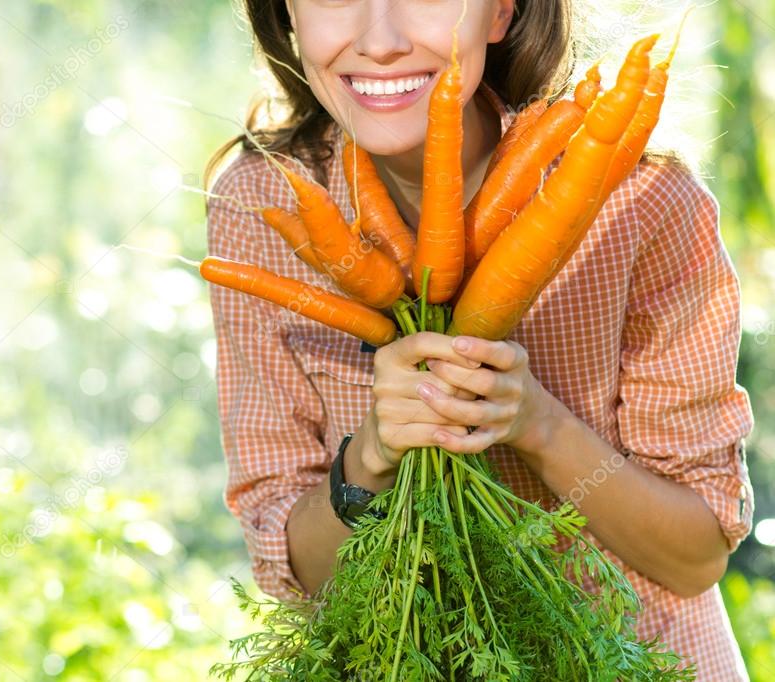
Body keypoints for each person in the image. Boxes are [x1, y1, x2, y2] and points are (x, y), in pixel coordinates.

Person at [203, 0, 754, 678]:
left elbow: (695, 557)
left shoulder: (638, 200)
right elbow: (301, 575)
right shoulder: (263, 205)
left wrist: (536, 422)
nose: (380, 41)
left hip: (636, 661)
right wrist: (370, 456)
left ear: (500, 12)